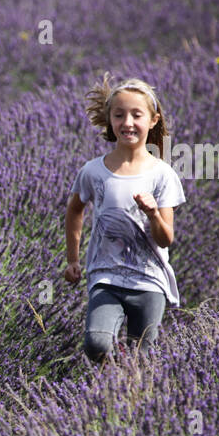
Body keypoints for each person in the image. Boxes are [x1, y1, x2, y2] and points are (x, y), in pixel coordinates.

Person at [64, 74, 186, 363]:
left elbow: (166, 238)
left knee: (143, 358)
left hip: (148, 281)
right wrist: (73, 259)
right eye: (119, 115)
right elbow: (74, 210)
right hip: (105, 276)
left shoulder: (162, 175)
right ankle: (113, 375)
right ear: (109, 120)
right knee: (96, 344)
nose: (127, 122)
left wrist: (153, 213)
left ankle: (127, 397)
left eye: (136, 115)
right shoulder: (93, 171)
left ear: (153, 120)